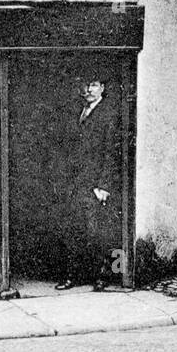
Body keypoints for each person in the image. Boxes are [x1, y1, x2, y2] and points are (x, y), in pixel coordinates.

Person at [54, 79, 122, 291]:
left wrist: (103, 186)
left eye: (93, 84)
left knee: (96, 233)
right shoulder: (78, 111)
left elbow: (111, 151)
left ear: (102, 88)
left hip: (94, 186)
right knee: (73, 231)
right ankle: (71, 276)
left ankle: (102, 277)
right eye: (86, 85)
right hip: (75, 183)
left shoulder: (108, 114)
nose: (88, 90)